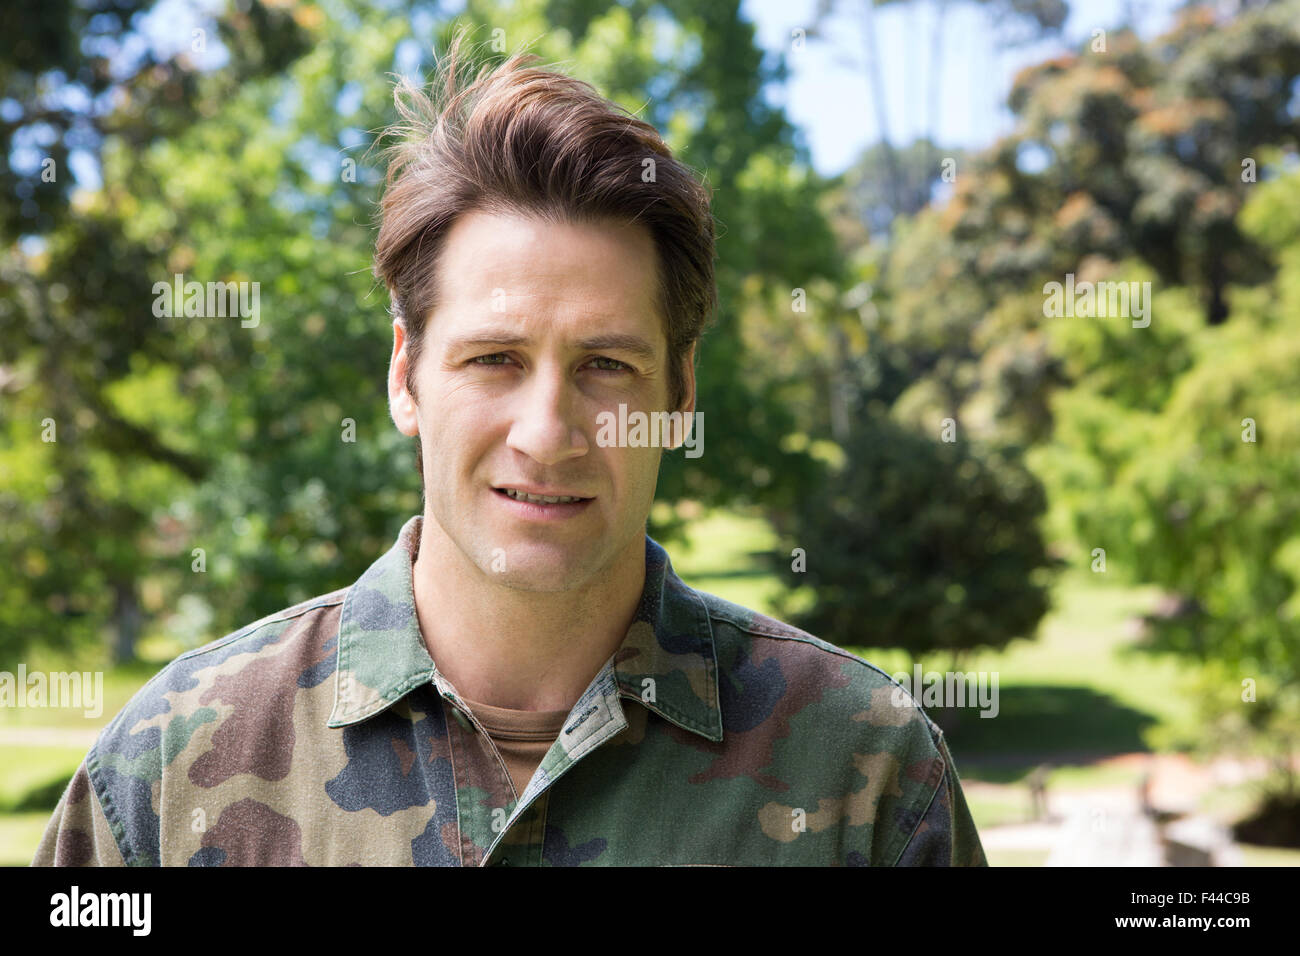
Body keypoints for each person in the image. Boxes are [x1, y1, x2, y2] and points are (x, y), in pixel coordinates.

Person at [33, 32, 986, 867]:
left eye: (607, 365)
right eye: (494, 358)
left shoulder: (869, 773)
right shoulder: (168, 768)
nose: (547, 433)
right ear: (405, 377)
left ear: (681, 391)